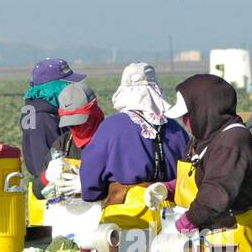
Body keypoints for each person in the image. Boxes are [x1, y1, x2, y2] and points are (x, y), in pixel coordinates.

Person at [165, 73, 252, 252]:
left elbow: (217, 191)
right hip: (206, 234)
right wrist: (169, 188)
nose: (185, 120)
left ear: (205, 110)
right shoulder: (205, 137)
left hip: (230, 238)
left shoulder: (233, 141)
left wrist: (185, 222)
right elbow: (201, 176)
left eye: (188, 114)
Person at [77, 63, 188, 230]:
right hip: (169, 215)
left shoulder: (112, 127)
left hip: (127, 214)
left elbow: (91, 175)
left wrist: (93, 192)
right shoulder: (176, 129)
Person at [21, 57, 85, 225]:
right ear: (52, 87)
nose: (72, 88)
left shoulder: (38, 107)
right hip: (50, 196)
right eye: (67, 83)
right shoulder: (44, 117)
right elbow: (42, 163)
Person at [38, 82, 105, 202]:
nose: (76, 127)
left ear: (94, 113)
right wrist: (46, 177)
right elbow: (38, 192)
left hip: (104, 217)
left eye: (80, 121)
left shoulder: (111, 139)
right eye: (71, 124)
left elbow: (125, 185)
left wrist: (93, 185)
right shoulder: (63, 144)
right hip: (69, 216)